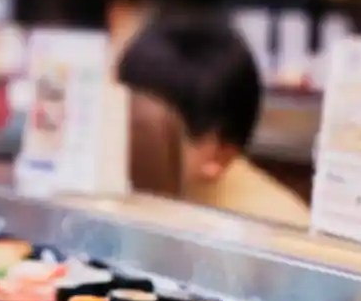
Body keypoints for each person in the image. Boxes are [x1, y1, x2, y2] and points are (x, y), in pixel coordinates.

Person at [116, 12, 311, 228]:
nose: (129, 143)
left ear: (218, 155)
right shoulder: (127, 191)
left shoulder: (275, 231)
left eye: (150, 134)